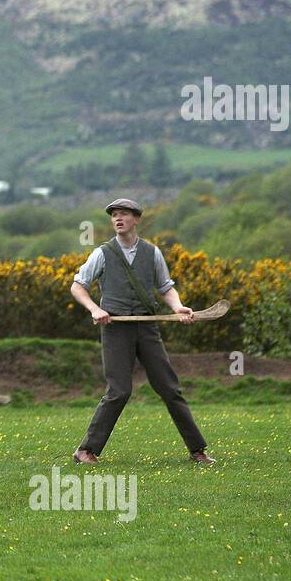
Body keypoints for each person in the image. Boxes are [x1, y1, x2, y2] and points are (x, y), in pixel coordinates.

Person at [69, 198, 214, 465]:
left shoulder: (152, 253)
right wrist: (94, 309)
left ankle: (197, 450)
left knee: (170, 388)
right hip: (115, 328)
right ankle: (86, 451)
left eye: (124, 214)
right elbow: (78, 286)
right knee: (119, 391)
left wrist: (178, 306)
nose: (118, 219)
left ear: (136, 219)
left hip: (147, 327)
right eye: (114, 215)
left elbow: (166, 286)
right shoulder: (102, 253)